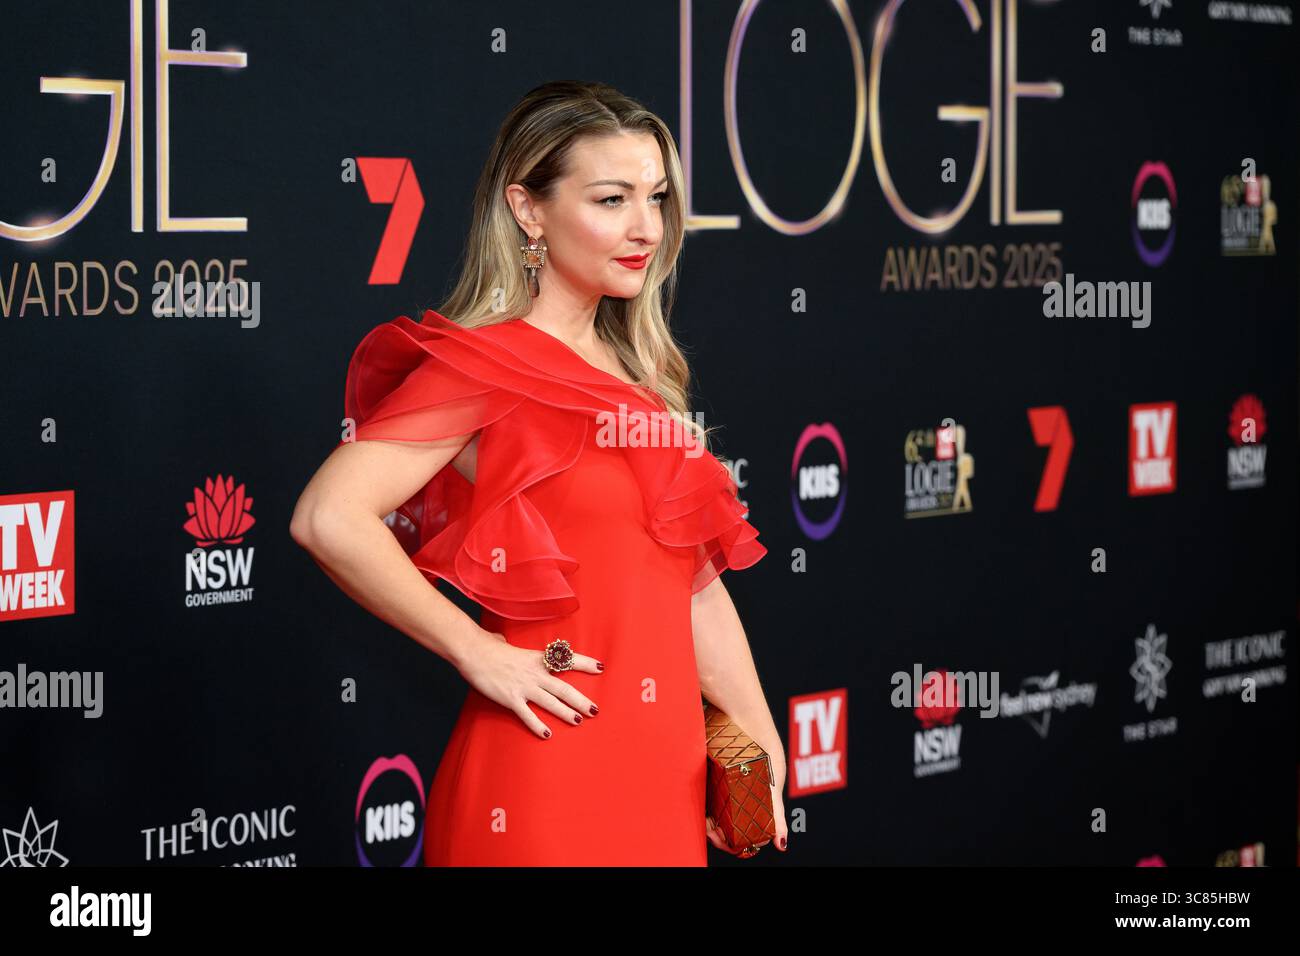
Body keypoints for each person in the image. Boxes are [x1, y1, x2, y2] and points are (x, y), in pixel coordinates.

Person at [291, 80, 788, 865]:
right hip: (545, 769)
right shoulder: (484, 366)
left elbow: (689, 581)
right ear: (528, 209)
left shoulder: (640, 378)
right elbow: (328, 515)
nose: (646, 228)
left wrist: (758, 729)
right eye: (612, 199)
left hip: (665, 769)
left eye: (656, 198)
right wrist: (474, 648)